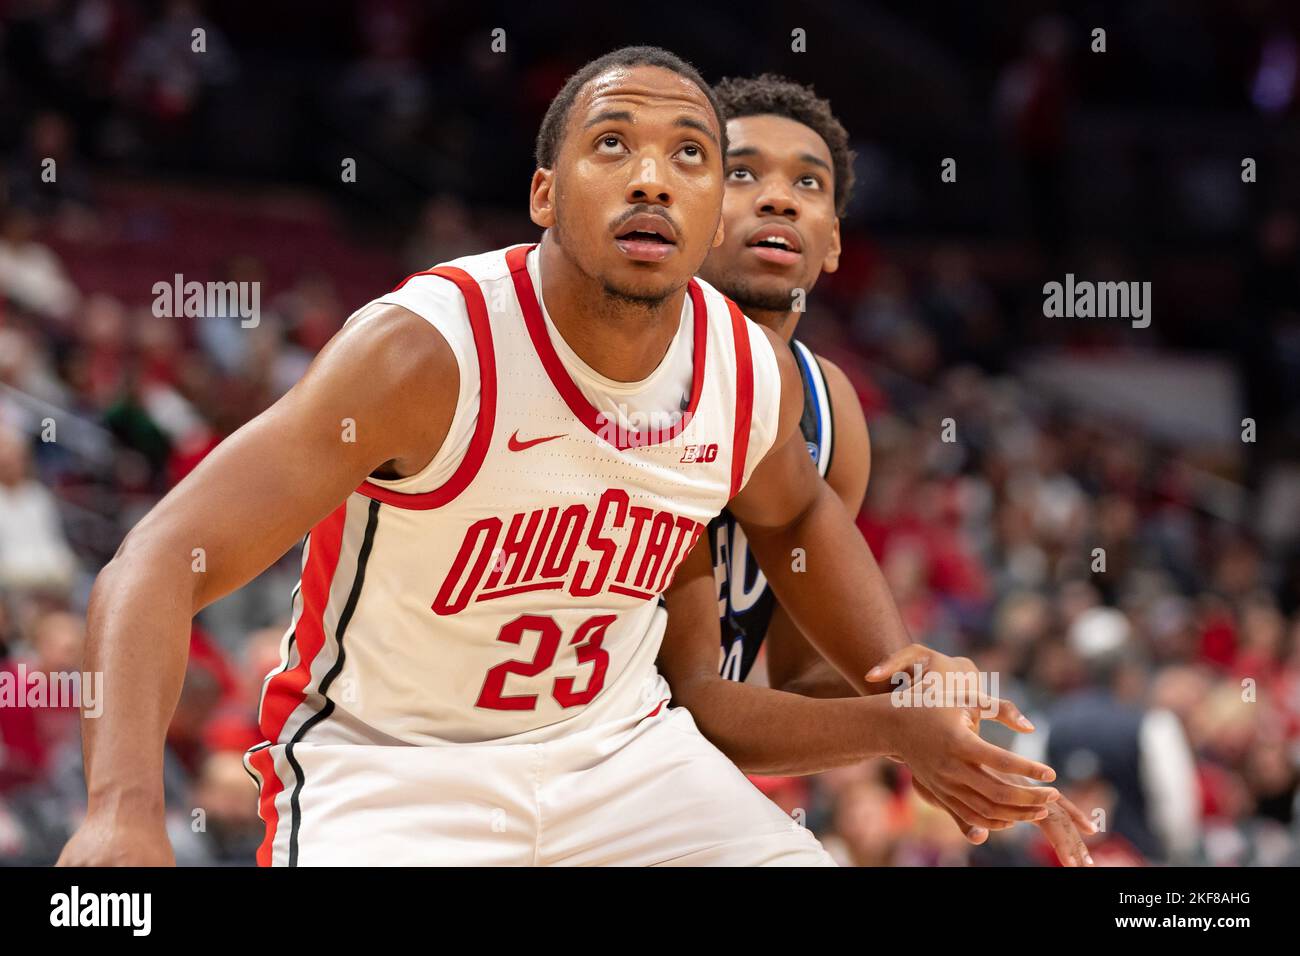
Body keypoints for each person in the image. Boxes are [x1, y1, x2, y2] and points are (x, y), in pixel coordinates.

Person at [59, 47, 1060, 867]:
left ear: (709, 212)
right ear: (544, 192)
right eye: (612, 144)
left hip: (621, 758)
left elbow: (795, 515)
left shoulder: (742, 371)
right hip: (394, 769)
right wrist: (119, 807)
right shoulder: (426, 352)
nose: (651, 175)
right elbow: (159, 557)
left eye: (689, 155)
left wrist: (893, 680)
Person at [658, 75, 1092, 864]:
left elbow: (803, 683)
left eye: (808, 183)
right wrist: (897, 729)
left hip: (663, 782)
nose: (779, 199)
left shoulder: (832, 410)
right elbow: (690, 703)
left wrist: (921, 700)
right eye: (743, 172)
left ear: (832, 244)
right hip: (560, 761)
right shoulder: (646, 375)